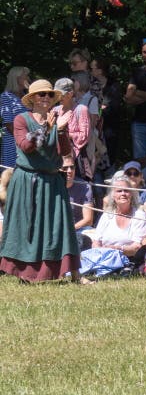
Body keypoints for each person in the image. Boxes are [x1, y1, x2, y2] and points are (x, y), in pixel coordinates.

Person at [0, 79, 81, 281]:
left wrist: (61, 130)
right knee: (26, 227)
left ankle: (73, 274)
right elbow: (26, 146)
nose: (46, 98)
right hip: (26, 181)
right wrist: (48, 128)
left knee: (59, 226)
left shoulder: (57, 120)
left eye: (49, 94)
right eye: (41, 94)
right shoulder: (21, 119)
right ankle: (24, 274)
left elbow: (65, 150)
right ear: (32, 99)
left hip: (53, 181)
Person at [91, 176, 146, 257]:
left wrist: (117, 249)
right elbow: (96, 242)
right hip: (104, 257)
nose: (123, 193)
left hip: (129, 260)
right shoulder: (107, 215)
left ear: (131, 194)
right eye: (119, 191)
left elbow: (137, 247)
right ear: (113, 196)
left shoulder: (139, 215)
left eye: (126, 191)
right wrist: (100, 252)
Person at [53, 77, 95, 182]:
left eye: (61, 94)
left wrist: (63, 132)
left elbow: (83, 137)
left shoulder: (81, 110)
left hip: (75, 159)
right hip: (56, 157)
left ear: (70, 93)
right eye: (56, 94)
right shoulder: (55, 110)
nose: (59, 97)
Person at [90, 57, 123, 166]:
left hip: (109, 129)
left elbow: (113, 107)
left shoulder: (114, 86)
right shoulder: (91, 86)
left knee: (109, 157)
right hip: (94, 128)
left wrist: (98, 110)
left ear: (100, 71)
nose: (90, 71)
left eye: (92, 68)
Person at [1, 66, 30, 168]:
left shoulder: (27, 96)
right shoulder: (6, 96)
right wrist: (22, 139)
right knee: (11, 175)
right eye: (25, 76)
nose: (28, 78)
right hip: (13, 143)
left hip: (28, 141)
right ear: (16, 78)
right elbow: (8, 124)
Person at [63, 162, 94, 250]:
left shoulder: (85, 186)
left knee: (93, 237)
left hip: (78, 228)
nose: (69, 171)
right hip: (56, 228)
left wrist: (70, 229)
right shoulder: (50, 186)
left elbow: (88, 220)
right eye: (65, 168)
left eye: (72, 167)